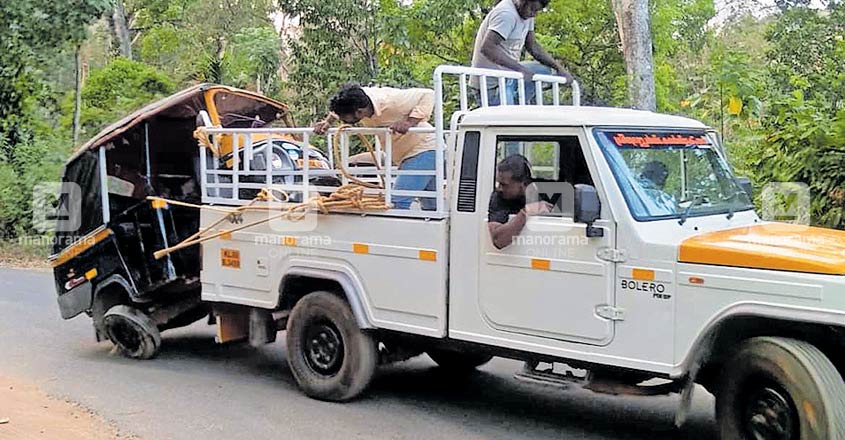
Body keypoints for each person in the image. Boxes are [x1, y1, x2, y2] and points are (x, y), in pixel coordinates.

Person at [313, 84, 438, 210]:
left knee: (397, 202)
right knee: (432, 207)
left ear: (359, 112)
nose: (343, 121)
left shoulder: (391, 101)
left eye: (344, 118)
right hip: (407, 154)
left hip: (424, 148)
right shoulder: (357, 100)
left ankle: (392, 230)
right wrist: (327, 122)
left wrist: (409, 122)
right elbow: (338, 109)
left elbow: (428, 94)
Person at [471, 0, 574, 106]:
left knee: (543, 70)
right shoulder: (506, 14)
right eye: (532, 9)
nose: (534, 14)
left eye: (537, 11)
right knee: (512, 118)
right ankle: (506, 109)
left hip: (509, 77)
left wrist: (559, 68)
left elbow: (532, 46)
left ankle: (518, 104)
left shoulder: (527, 15)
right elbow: (487, 48)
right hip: (490, 85)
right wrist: (521, 69)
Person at [488, 155, 552, 249]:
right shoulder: (499, 197)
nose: (499, 188)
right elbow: (498, 240)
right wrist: (526, 212)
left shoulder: (549, 192)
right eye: (498, 183)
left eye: (504, 184)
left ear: (523, 184)